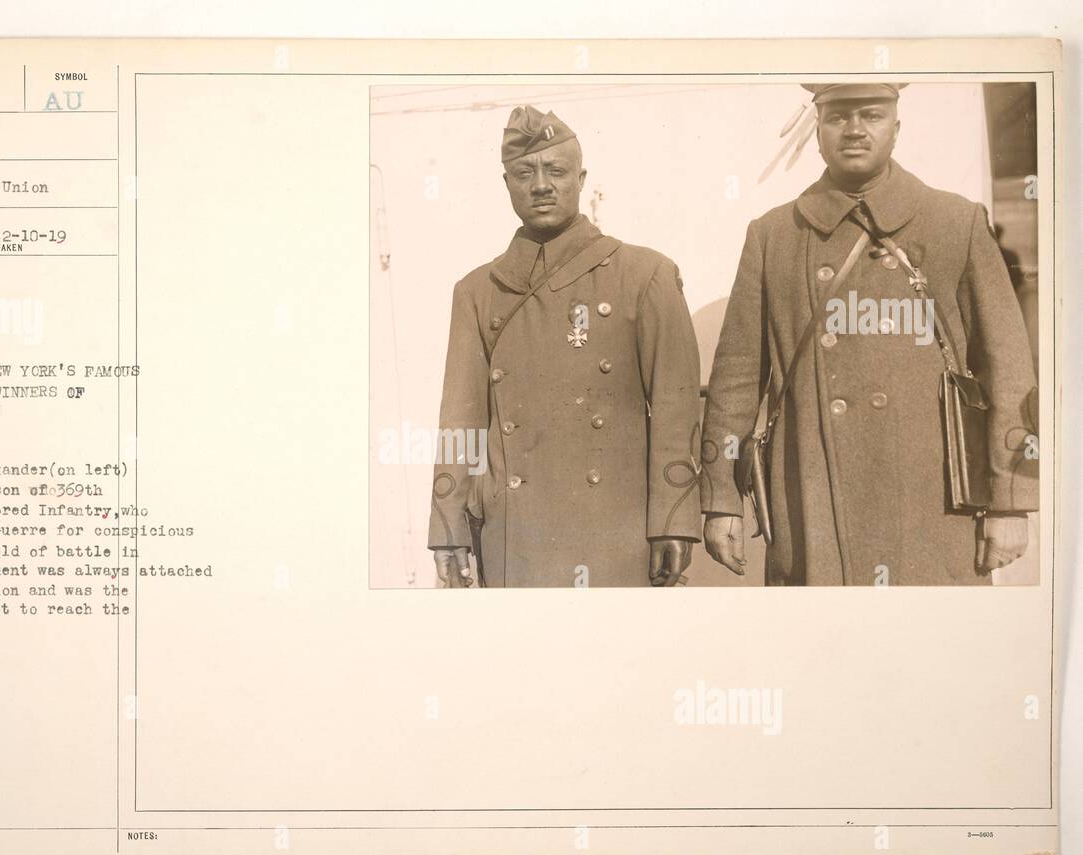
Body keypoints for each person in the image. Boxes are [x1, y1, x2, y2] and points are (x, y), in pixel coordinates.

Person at [700, 83, 1038, 585]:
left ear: (896, 128)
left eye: (872, 115)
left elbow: (1007, 368)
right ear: (817, 132)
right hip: (809, 494)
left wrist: (1010, 503)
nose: (855, 129)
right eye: (838, 116)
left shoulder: (956, 222)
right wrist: (721, 500)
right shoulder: (772, 235)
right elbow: (736, 379)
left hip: (934, 501)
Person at [428, 105, 702, 588]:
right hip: (513, 531)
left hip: (617, 530)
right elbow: (461, 420)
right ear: (506, 183)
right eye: (524, 173)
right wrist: (449, 524)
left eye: (555, 171)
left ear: (581, 178)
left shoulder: (644, 275)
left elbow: (675, 409)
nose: (540, 185)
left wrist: (673, 519)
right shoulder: (476, 291)